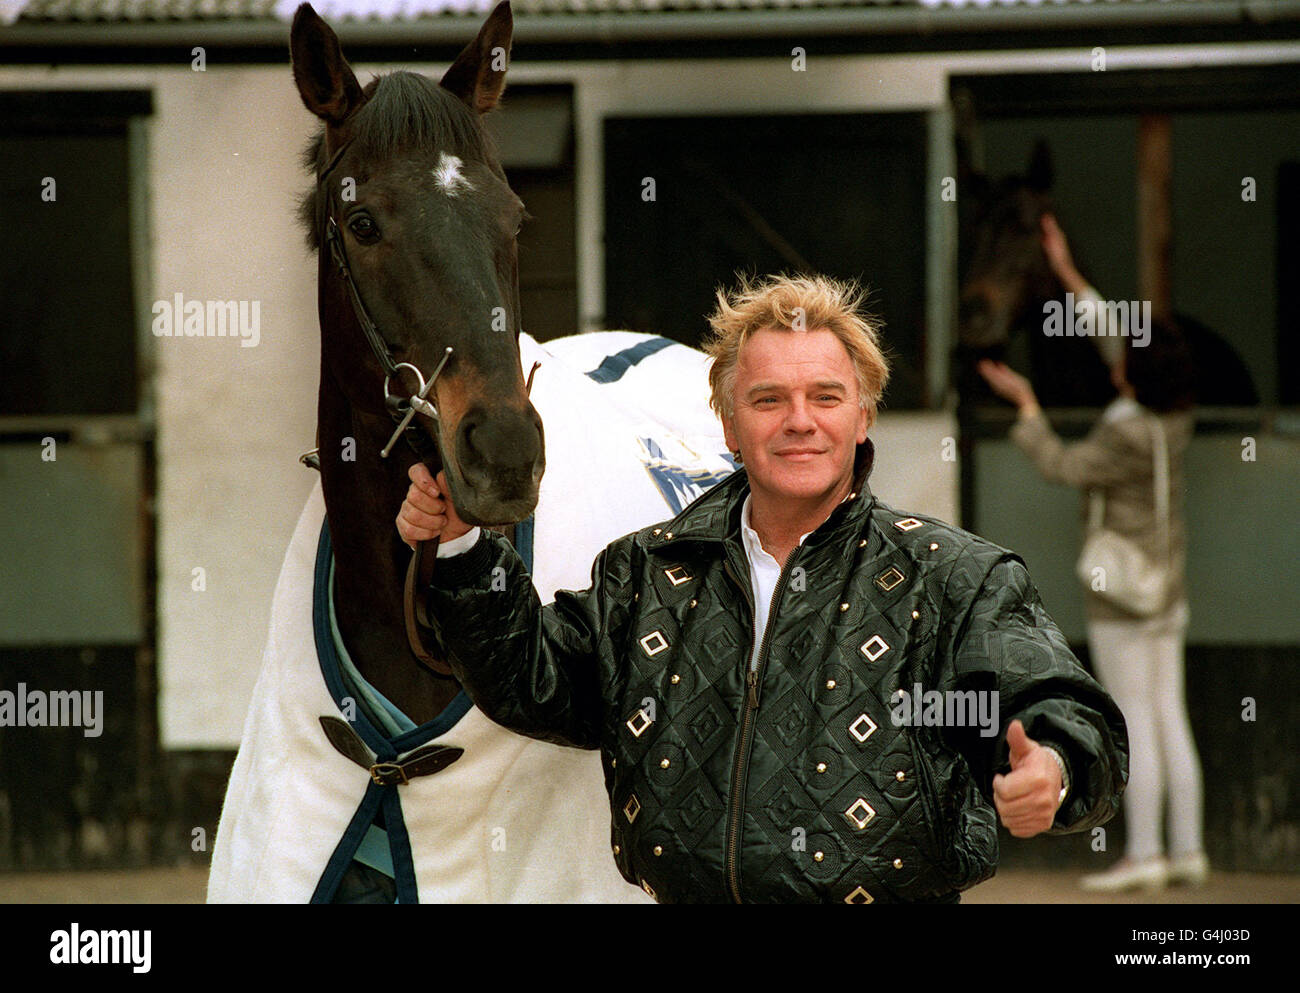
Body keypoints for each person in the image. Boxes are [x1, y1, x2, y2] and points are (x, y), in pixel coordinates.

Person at [399, 273, 1128, 904]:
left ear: (863, 415)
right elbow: (536, 679)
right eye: (769, 399)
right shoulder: (649, 571)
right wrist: (462, 541)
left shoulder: (951, 576)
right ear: (728, 424)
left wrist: (1057, 770)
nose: (800, 421)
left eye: (826, 396)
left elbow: (1064, 707)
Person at [978, 215, 1207, 892]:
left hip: (1122, 592)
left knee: (1134, 717)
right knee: (1170, 713)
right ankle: (1187, 849)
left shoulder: (1125, 434)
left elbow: (1061, 463)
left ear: (1132, 374)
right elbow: (1124, 342)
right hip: (1168, 586)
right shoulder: (1174, 417)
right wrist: (1073, 277)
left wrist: (1025, 407)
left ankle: (1143, 853)